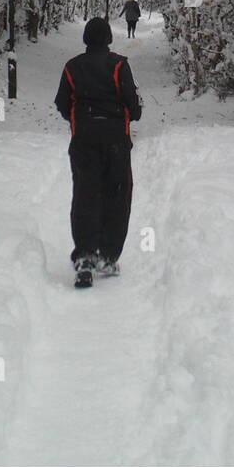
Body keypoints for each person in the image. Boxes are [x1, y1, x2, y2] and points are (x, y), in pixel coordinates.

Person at [54, 17, 143, 287]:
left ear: (85, 38)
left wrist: (79, 120)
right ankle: (107, 254)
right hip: (116, 139)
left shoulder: (72, 67)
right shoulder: (119, 65)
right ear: (108, 38)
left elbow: (62, 103)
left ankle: (84, 256)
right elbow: (132, 104)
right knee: (117, 194)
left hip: (83, 141)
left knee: (85, 194)